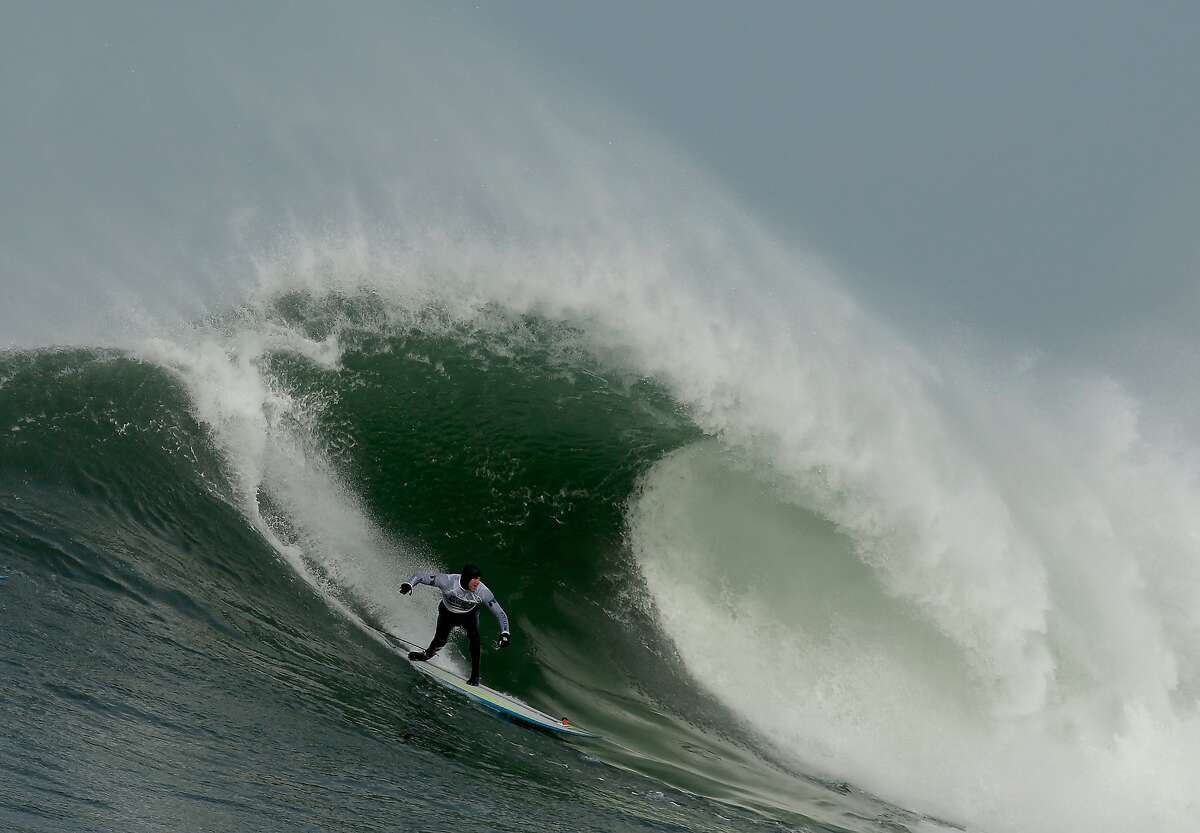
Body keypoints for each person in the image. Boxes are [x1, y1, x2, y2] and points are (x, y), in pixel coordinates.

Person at [400, 563, 510, 687]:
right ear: (466, 578)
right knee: (440, 640)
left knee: (475, 639)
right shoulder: (448, 581)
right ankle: (426, 655)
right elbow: (420, 576)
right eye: (474, 579)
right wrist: (409, 584)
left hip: (469, 616)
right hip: (447, 613)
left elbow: (500, 613)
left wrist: (505, 632)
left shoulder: (482, 591)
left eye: (479, 579)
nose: (477, 583)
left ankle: (475, 676)